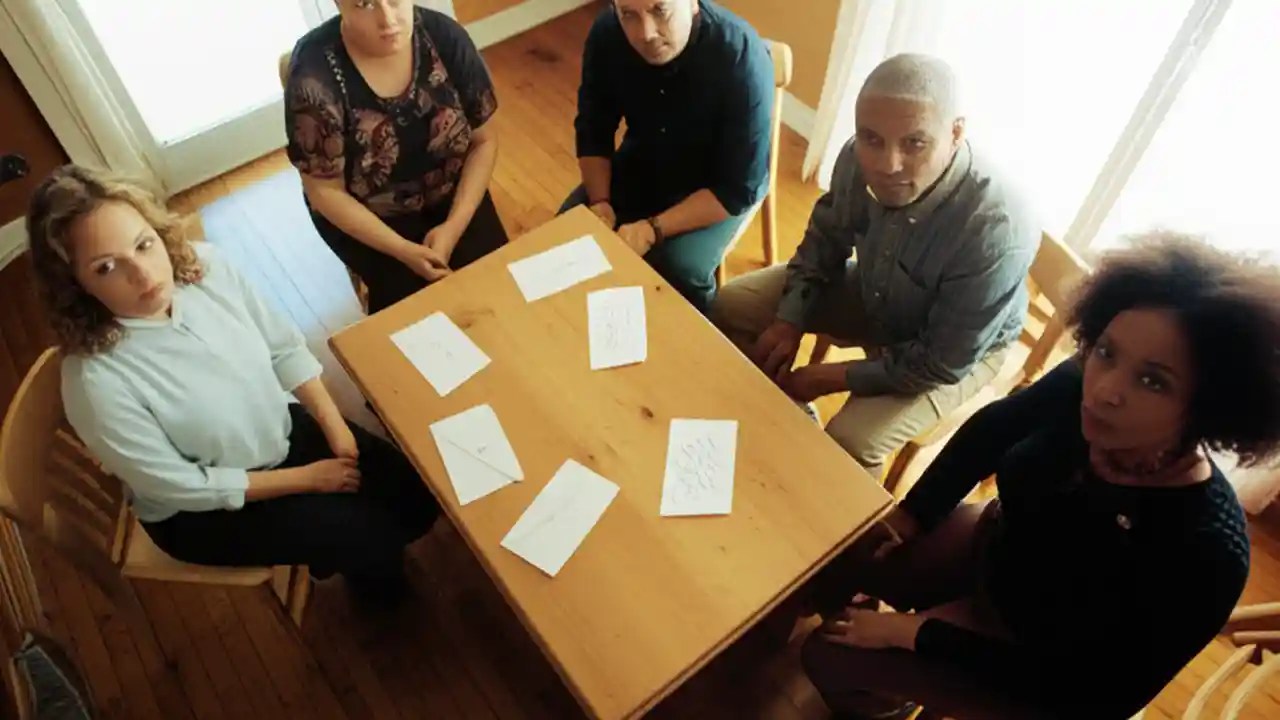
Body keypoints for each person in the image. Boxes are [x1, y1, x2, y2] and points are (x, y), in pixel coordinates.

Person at [799, 233, 1280, 718]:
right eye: (1107, 352)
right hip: (1001, 549)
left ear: (1208, 406)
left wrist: (914, 634)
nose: (1105, 390)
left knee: (828, 654)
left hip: (1041, 663)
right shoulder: (1081, 384)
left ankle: (886, 705)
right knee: (851, 547)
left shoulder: (1207, 551)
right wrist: (915, 515)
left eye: (1153, 380)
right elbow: (993, 430)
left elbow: (1092, 692)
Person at [27, 164, 441, 605]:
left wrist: (332, 423)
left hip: (275, 431)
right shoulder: (94, 380)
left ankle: (342, 550)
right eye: (107, 267)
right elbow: (179, 485)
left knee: (417, 497)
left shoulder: (206, 266)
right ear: (75, 285)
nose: (144, 276)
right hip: (206, 511)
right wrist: (307, 480)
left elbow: (282, 347)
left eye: (144, 245)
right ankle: (366, 577)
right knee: (373, 541)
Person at [709, 53, 1039, 480]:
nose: (887, 165)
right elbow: (824, 241)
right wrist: (791, 319)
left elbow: (941, 362)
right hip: (877, 290)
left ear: (956, 133)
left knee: (852, 442)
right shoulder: (855, 156)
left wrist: (828, 377)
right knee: (731, 305)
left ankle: (846, 532)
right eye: (872, 139)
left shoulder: (996, 231)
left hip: (955, 350)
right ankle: (755, 433)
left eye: (915, 143)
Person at [285, 0, 507, 314]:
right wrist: (403, 251)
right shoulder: (313, 75)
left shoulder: (443, 36)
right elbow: (324, 189)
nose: (387, 19)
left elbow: (483, 141)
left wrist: (455, 225)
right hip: (371, 219)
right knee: (415, 322)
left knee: (501, 291)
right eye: (364, 4)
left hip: (452, 193)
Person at [562, 0, 774, 312]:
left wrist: (652, 229)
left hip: (718, 186)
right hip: (645, 157)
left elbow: (738, 189)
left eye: (660, 11)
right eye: (628, 15)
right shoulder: (606, 34)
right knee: (569, 233)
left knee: (681, 270)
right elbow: (594, 128)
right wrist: (600, 204)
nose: (645, 33)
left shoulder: (741, 57)